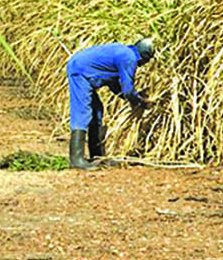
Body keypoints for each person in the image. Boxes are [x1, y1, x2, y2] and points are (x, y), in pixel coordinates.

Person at [65, 37, 155, 170]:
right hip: (80, 71)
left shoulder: (123, 53)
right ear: (144, 58)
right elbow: (128, 90)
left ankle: (97, 157)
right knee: (82, 111)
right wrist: (141, 102)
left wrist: (133, 98)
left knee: (97, 112)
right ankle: (76, 160)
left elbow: (115, 86)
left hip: (81, 67)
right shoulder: (129, 58)